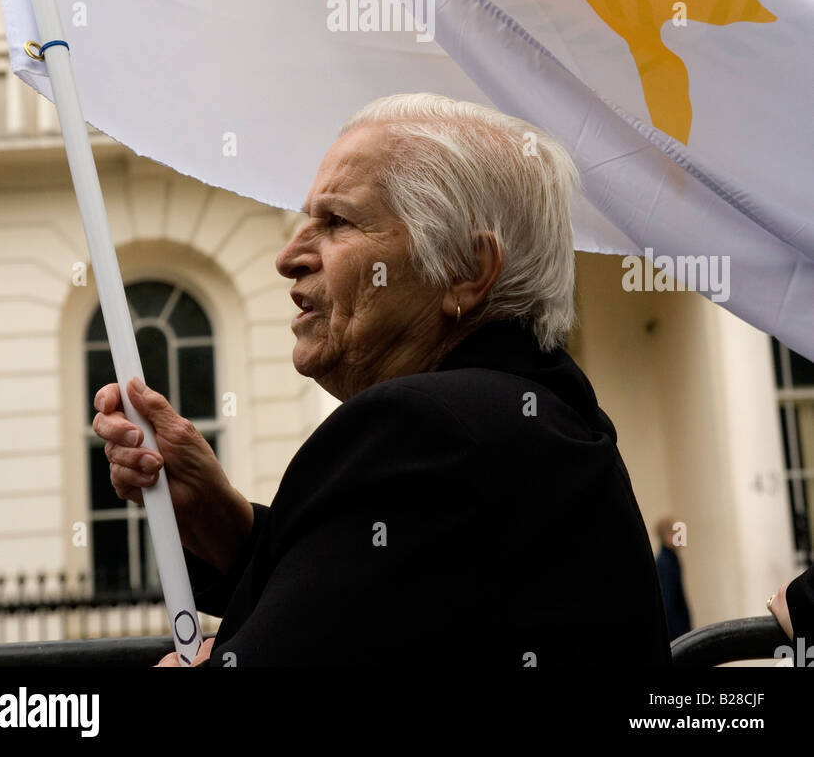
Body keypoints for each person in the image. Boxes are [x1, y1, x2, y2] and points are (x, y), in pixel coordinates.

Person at [93, 93, 672, 668]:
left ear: (467, 271)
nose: (289, 255)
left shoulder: (425, 426)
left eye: (337, 222)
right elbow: (382, 603)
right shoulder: (539, 416)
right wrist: (224, 526)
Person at [654, 517, 692, 641]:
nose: (681, 537)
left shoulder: (671, 560)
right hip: (676, 632)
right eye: (678, 533)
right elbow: (668, 603)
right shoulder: (666, 563)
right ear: (668, 536)